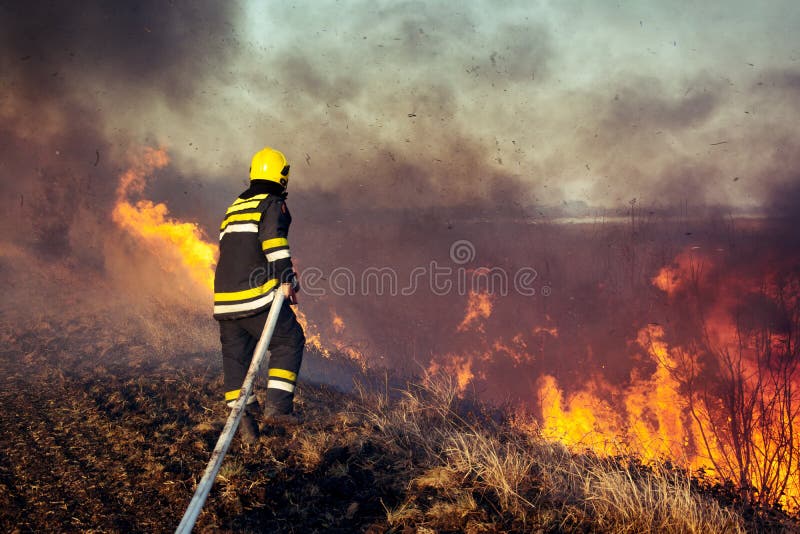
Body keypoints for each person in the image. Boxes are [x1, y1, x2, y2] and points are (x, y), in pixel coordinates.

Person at [212, 147, 305, 443]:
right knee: (289, 339)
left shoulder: (235, 206)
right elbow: (274, 242)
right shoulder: (271, 203)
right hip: (254, 295)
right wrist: (287, 278)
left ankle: (245, 424)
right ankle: (278, 409)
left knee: (236, 360)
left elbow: (228, 247)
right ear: (282, 176)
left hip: (224, 300)